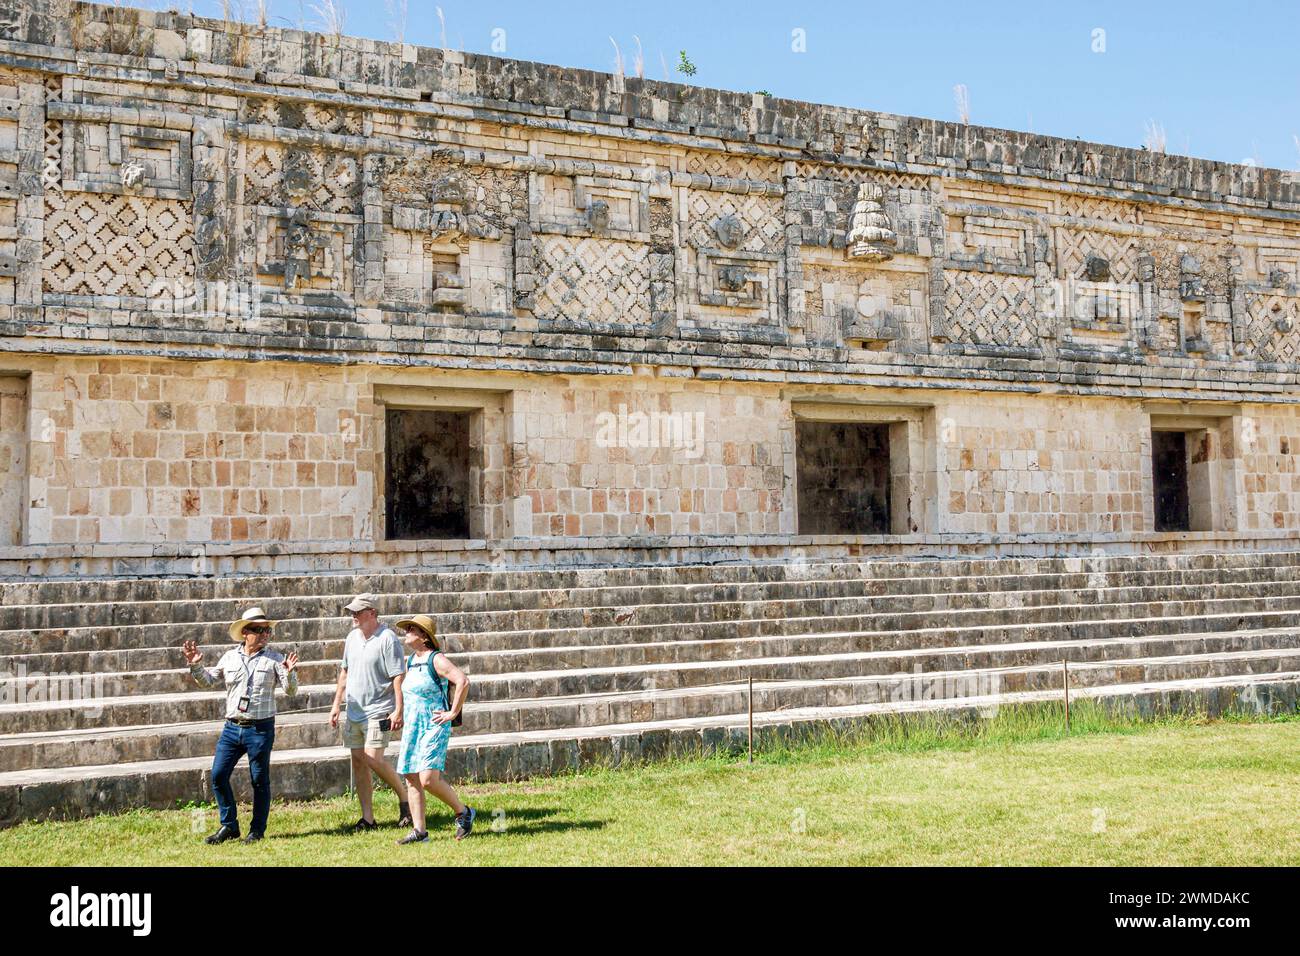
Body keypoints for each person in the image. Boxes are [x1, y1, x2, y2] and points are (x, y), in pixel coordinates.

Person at [182, 606, 299, 844]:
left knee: (259, 780)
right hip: (232, 728)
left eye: (268, 630)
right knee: (218, 775)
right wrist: (195, 665)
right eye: (259, 630)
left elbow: (291, 691)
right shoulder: (229, 657)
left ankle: (257, 830)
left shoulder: (276, 659)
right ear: (245, 632)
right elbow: (208, 681)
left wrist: (291, 673)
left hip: (260, 728)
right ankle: (229, 825)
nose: (265, 634)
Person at [329, 593, 411, 831]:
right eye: (352, 612)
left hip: (380, 709)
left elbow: (398, 675)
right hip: (354, 710)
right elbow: (344, 673)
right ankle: (368, 818)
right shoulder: (352, 637)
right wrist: (337, 704)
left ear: (372, 613)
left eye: (358, 612)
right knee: (358, 761)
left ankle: (404, 797)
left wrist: (398, 709)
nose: (353, 616)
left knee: (373, 757)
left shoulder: (387, 638)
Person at [392, 614, 475, 843]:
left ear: (424, 636)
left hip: (434, 724)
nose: (406, 631)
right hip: (413, 726)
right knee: (411, 776)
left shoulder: (435, 659)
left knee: (428, 778)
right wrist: (399, 712)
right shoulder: (411, 661)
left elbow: (462, 681)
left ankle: (463, 812)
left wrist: (453, 712)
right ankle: (420, 832)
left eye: (411, 629)